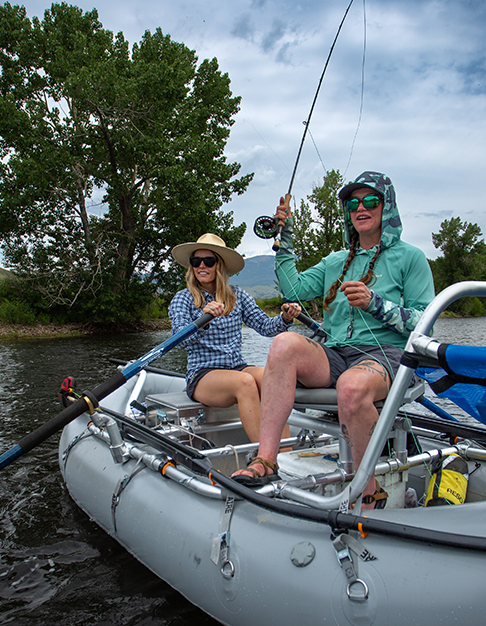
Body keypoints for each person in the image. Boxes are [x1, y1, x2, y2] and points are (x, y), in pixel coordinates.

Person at [230, 171, 435, 509]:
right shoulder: (335, 262)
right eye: (353, 203)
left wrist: (376, 304)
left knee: (352, 388)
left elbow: (424, 325)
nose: (361, 208)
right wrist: (287, 237)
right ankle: (267, 461)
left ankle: (368, 489)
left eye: (370, 200)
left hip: (387, 357)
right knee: (284, 345)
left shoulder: (411, 258)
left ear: (387, 206)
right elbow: (292, 290)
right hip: (336, 353)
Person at [168, 233, 302, 442]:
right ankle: (265, 458)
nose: (201, 266)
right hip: (202, 374)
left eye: (208, 261)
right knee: (245, 383)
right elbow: (178, 340)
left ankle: (285, 454)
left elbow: (265, 327)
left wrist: (284, 318)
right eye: (196, 261)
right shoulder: (183, 298)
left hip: (236, 367)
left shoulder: (237, 295)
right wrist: (205, 319)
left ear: (218, 265)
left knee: (272, 377)